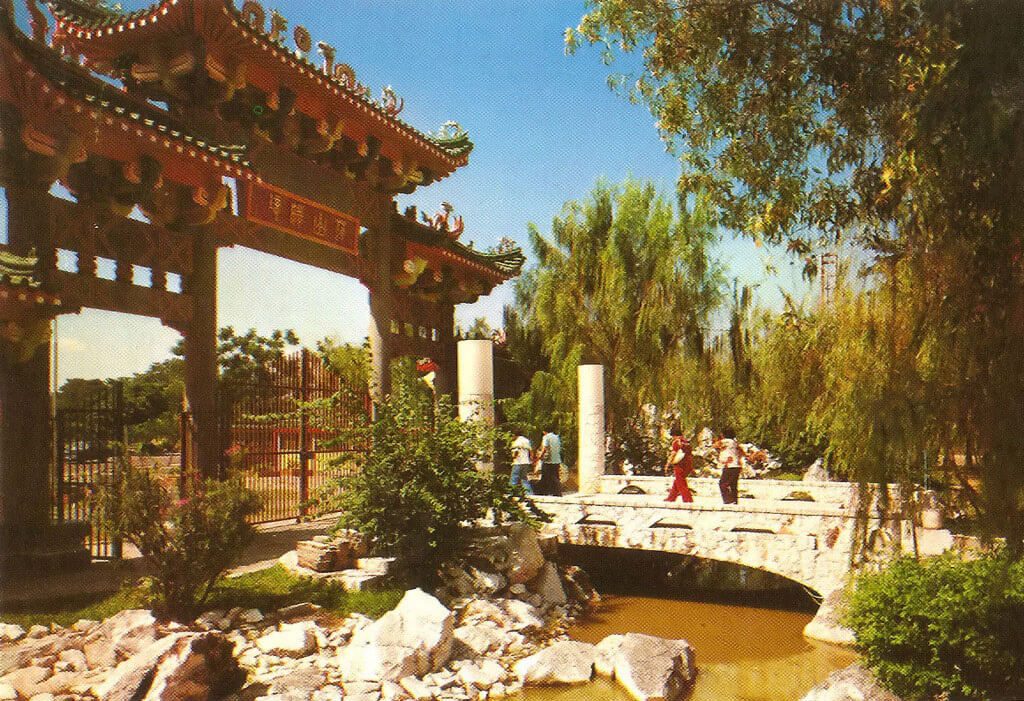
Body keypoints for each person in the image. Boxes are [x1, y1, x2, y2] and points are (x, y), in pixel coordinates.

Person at [664, 423, 694, 503]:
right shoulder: (687, 442)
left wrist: (668, 463)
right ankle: (671, 497)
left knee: (681, 482)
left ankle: (687, 499)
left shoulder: (676, 442)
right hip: (688, 463)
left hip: (680, 464)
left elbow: (673, 453)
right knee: (678, 480)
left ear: (674, 435)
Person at [716, 432, 746, 504]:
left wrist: (719, 442)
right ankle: (734, 500)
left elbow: (716, 445)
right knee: (733, 485)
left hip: (730, 466)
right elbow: (742, 452)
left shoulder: (728, 441)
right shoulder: (734, 443)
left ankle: (728, 500)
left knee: (723, 484)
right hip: (735, 466)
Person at [537, 426, 563, 497]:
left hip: (548, 460)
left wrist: (540, 456)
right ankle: (557, 492)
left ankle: (543, 492)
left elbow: (544, 448)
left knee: (546, 476)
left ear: (544, 431)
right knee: (555, 476)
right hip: (557, 460)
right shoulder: (557, 437)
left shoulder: (546, 437)